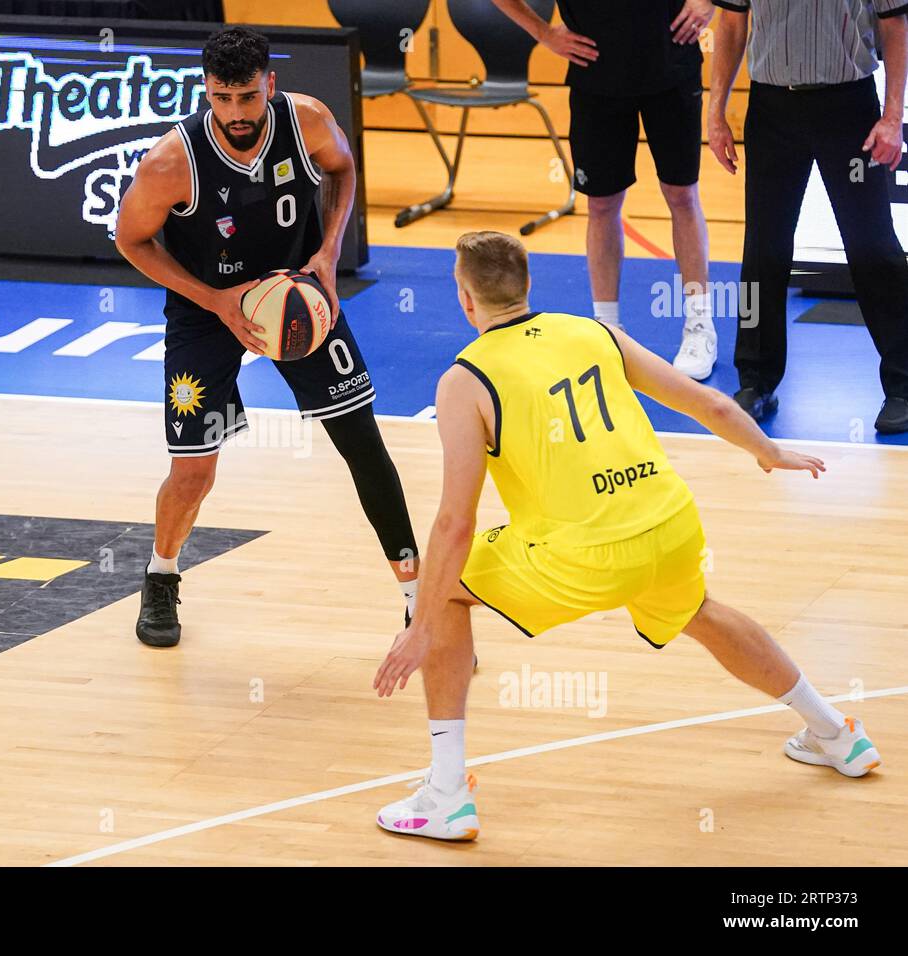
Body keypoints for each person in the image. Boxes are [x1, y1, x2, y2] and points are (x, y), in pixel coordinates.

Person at [373, 231, 881, 842]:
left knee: (446, 587)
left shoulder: (464, 380)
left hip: (583, 554)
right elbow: (709, 404)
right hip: (667, 522)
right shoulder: (596, 333)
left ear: (464, 298)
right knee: (700, 612)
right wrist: (767, 451)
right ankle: (836, 735)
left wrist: (421, 623)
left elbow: (456, 521)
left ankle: (447, 794)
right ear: (528, 285)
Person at [115, 26, 419, 647]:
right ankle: (161, 574)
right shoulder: (172, 163)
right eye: (222, 99)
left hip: (299, 294)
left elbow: (342, 167)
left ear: (269, 86)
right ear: (206, 91)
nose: (235, 113)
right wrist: (217, 302)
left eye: (247, 98)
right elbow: (130, 239)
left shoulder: (306, 121)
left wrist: (330, 253)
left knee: (363, 443)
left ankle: (421, 602)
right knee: (195, 471)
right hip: (207, 309)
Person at [492, 0, 719, 379]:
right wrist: (543, 33)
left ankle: (699, 324)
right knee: (601, 205)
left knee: (681, 195)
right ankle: (607, 329)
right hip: (596, 74)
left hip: (672, 63)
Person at [709, 1, 908, 433]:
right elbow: (730, 22)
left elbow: (894, 23)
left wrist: (893, 117)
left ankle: (903, 385)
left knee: (873, 247)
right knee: (764, 249)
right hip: (771, 107)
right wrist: (716, 112)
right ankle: (756, 381)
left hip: (849, 106)